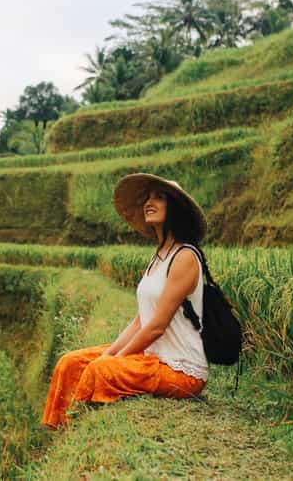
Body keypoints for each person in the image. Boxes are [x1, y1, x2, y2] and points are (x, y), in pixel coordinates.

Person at [41, 173, 209, 428]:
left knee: (100, 371)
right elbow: (141, 320)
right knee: (71, 363)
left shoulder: (185, 256)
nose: (149, 202)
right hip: (151, 357)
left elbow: (156, 327)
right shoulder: (158, 257)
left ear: (175, 208)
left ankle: (76, 425)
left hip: (179, 370)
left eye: (160, 197)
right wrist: (109, 354)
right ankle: (57, 433)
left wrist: (113, 361)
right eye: (148, 198)